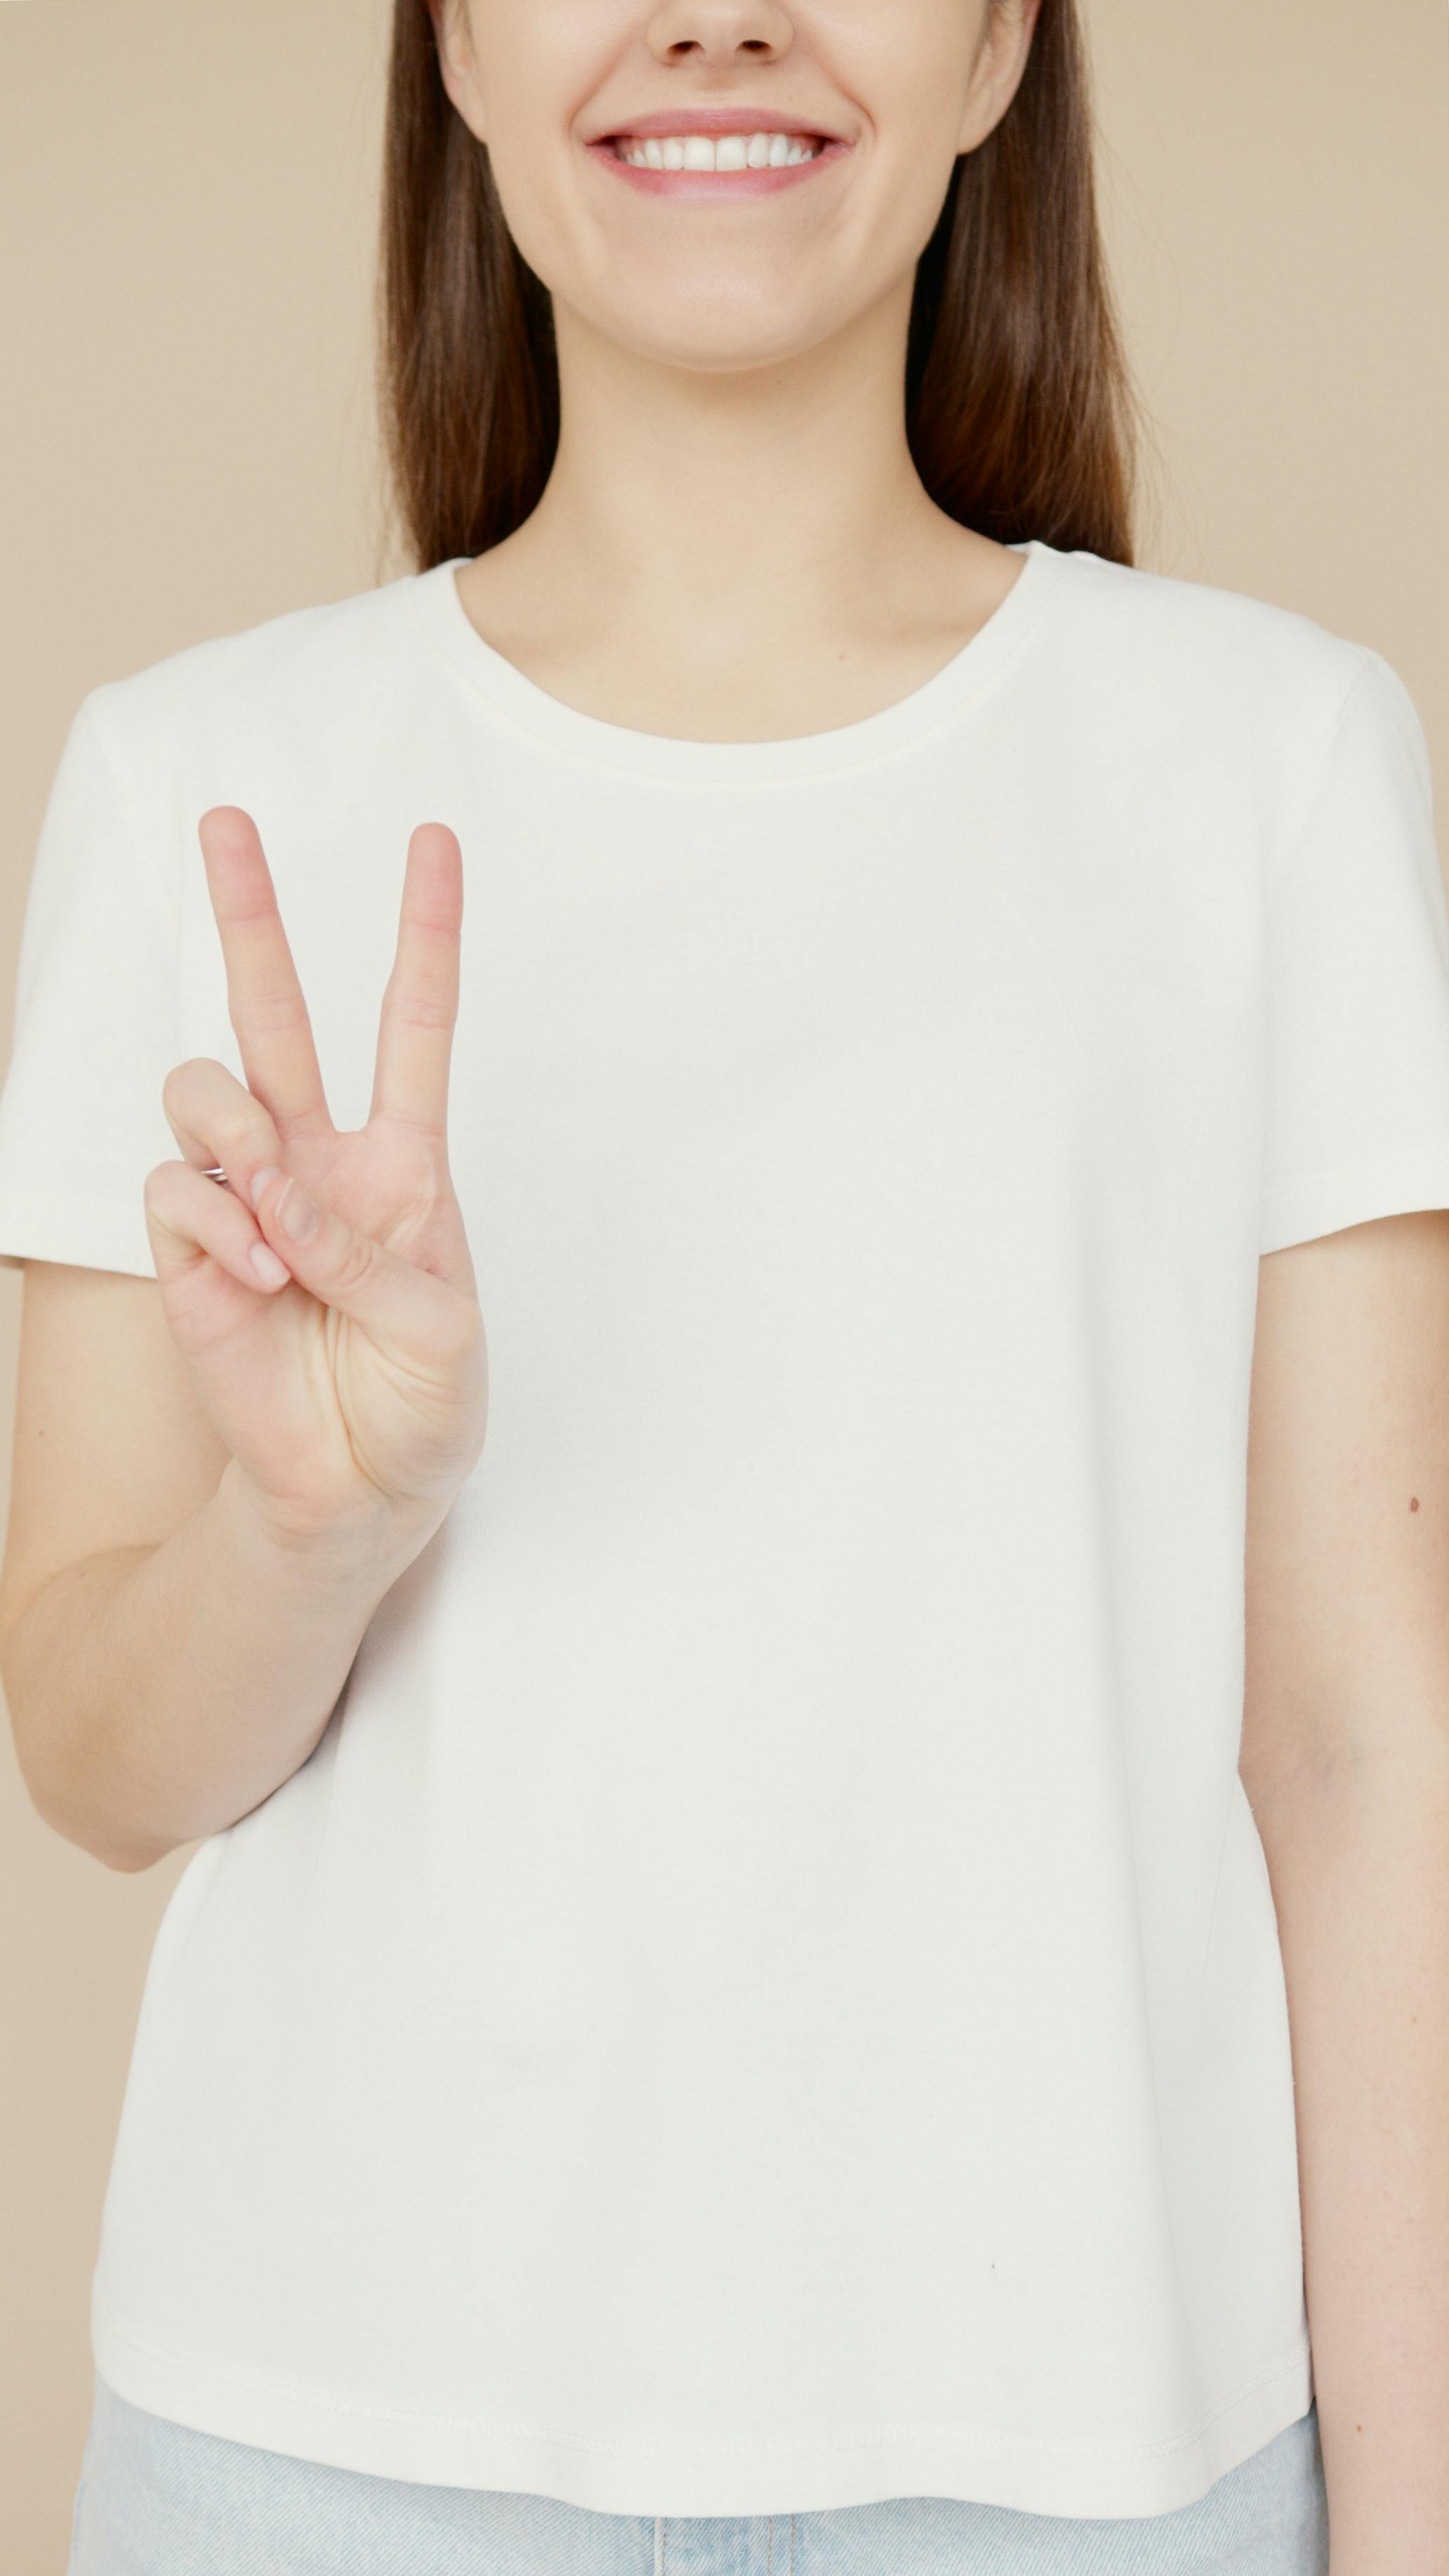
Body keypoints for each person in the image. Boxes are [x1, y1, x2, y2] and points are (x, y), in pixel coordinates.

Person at [1, 0, 1445, 2568]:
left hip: (1088, 2478)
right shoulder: (189, 788)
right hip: (324, 2468)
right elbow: (101, 1767)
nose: (717, 15)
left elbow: (1363, 1754)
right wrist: (316, 1525)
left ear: (1004, 48)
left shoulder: (1277, 767)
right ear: (448, 50)